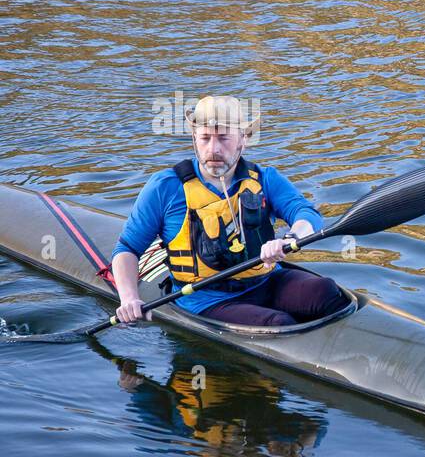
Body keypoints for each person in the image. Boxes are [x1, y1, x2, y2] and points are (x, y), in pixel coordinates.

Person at [111, 95, 349, 327]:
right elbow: (128, 249)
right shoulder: (165, 187)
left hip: (265, 280)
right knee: (278, 322)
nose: (213, 149)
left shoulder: (265, 179)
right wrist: (129, 298)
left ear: (242, 140)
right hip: (205, 299)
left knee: (326, 291)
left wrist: (290, 238)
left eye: (224, 138)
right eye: (204, 138)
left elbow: (307, 214)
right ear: (194, 139)